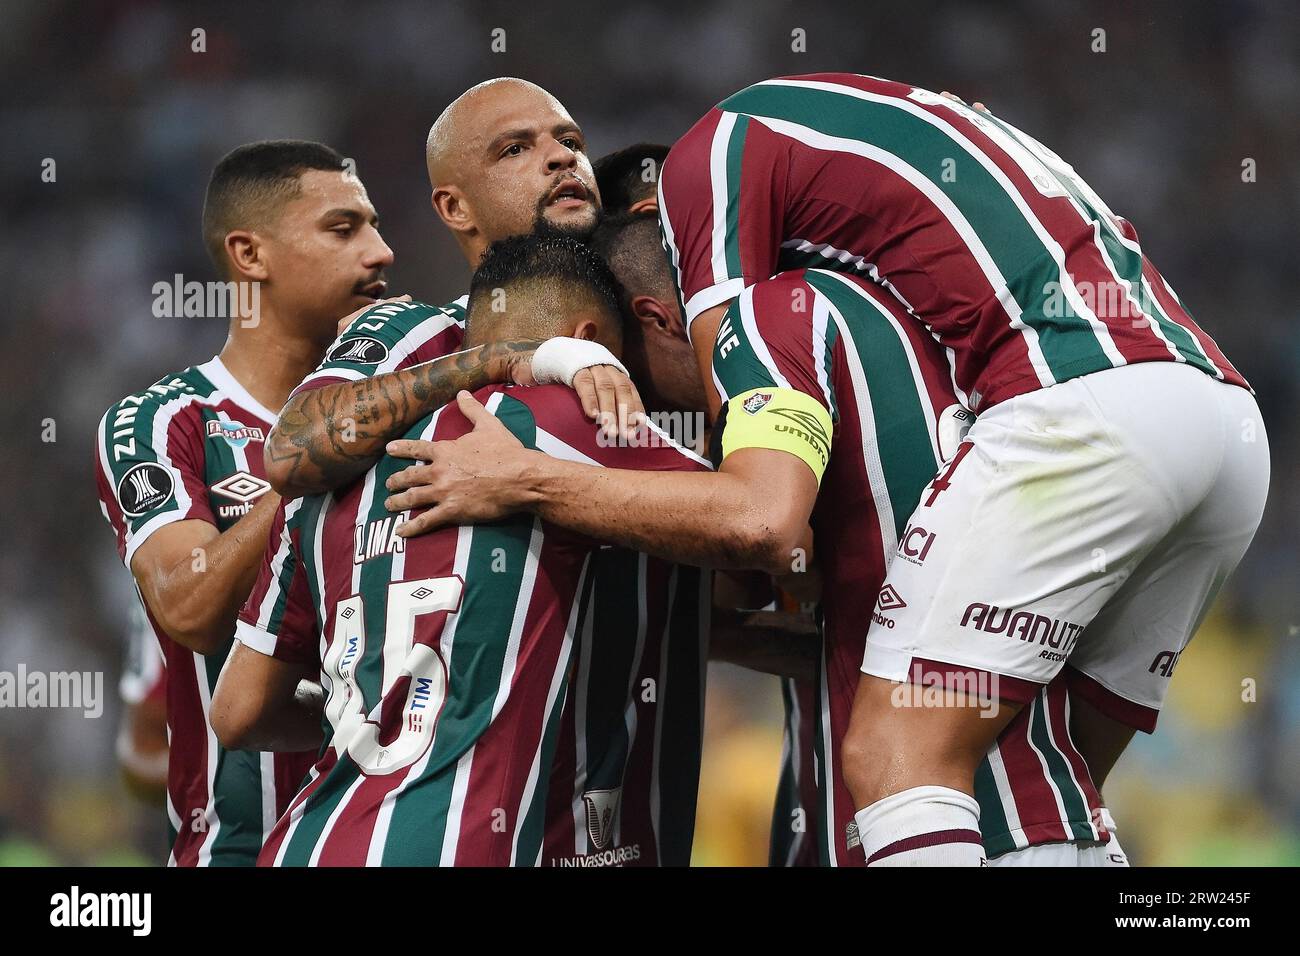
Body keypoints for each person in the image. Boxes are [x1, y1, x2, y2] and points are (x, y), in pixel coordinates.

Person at [394, 73, 1266, 865]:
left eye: (564, 142)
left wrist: (527, 479)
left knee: (898, 759)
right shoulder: (872, 281)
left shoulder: (752, 270)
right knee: (1056, 786)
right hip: (1218, 424)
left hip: (1080, 402)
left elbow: (759, 514)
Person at [260, 79, 710, 865]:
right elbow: (293, 449)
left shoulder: (653, 348)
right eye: (517, 148)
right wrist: (513, 356)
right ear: (455, 208)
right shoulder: (418, 335)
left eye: (568, 139)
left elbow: (726, 578)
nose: (561, 159)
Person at [95, 140, 396, 865]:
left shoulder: (405, 408)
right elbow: (189, 607)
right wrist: (312, 465)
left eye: (376, 226)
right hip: (239, 849)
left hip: (391, 842)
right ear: (249, 254)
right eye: (343, 228)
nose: (382, 251)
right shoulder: (167, 421)